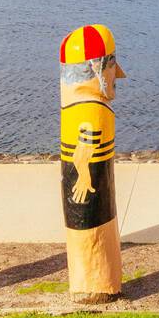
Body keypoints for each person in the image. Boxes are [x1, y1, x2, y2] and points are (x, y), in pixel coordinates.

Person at [59, 24, 126, 302]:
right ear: (96, 68)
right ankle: (96, 285)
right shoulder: (91, 107)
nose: (118, 73)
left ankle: (96, 282)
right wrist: (85, 175)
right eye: (111, 63)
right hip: (88, 195)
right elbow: (82, 149)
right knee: (95, 242)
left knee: (95, 233)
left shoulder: (78, 102)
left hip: (90, 195)